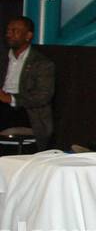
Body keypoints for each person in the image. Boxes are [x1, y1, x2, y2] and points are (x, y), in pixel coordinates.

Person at [0, 16, 55, 150]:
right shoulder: (3, 58)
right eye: (8, 30)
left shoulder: (42, 63)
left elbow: (43, 96)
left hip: (26, 110)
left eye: (15, 30)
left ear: (28, 35)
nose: (9, 34)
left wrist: (11, 99)